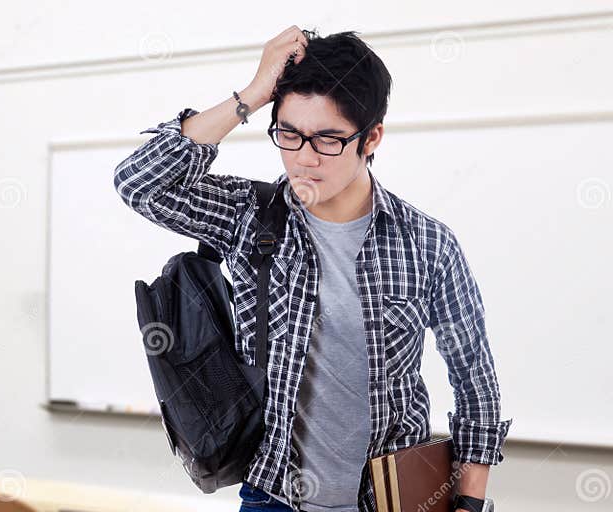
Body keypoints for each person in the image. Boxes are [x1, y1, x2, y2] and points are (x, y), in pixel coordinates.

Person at [114, 25, 512, 512]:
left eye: (327, 139)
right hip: (274, 496)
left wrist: (469, 505)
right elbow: (140, 183)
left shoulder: (427, 245)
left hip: (390, 501)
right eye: (289, 134)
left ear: (371, 138)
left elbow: (475, 381)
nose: (303, 159)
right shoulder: (250, 216)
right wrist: (253, 95)